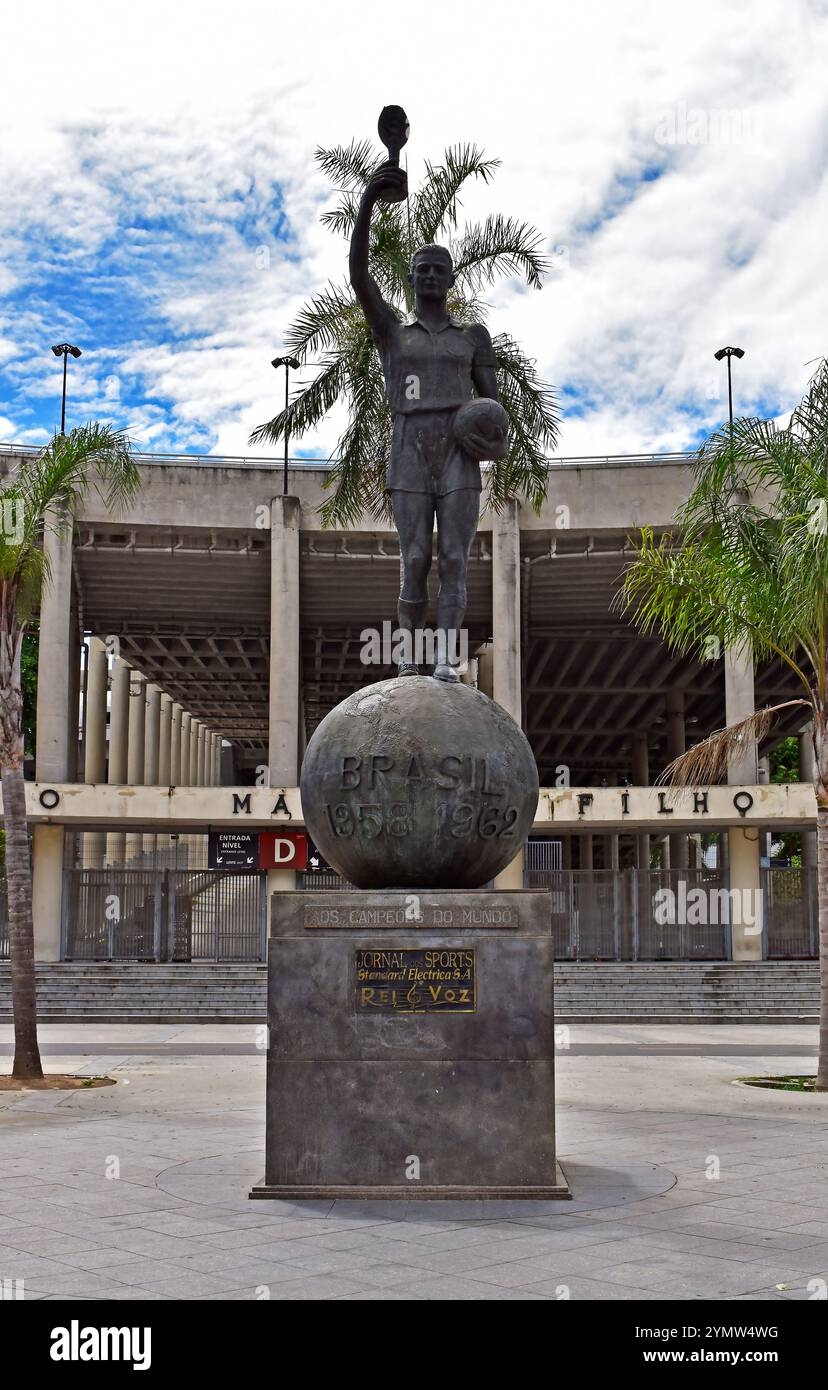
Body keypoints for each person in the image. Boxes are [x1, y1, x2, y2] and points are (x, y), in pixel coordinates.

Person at [349, 161, 506, 681]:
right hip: (410, 445)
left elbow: (496, 409)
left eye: (441, 269)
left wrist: (489, 438)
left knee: (455, 560)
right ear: (412, 278)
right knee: (415, 558)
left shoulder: (472, 337)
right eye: (423, 269)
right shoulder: (394, 332)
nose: (432, 276)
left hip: (458, 452)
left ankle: (444, 658)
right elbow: (358, 275)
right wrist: (370, 199)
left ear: (451, 278)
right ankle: (407, 657)